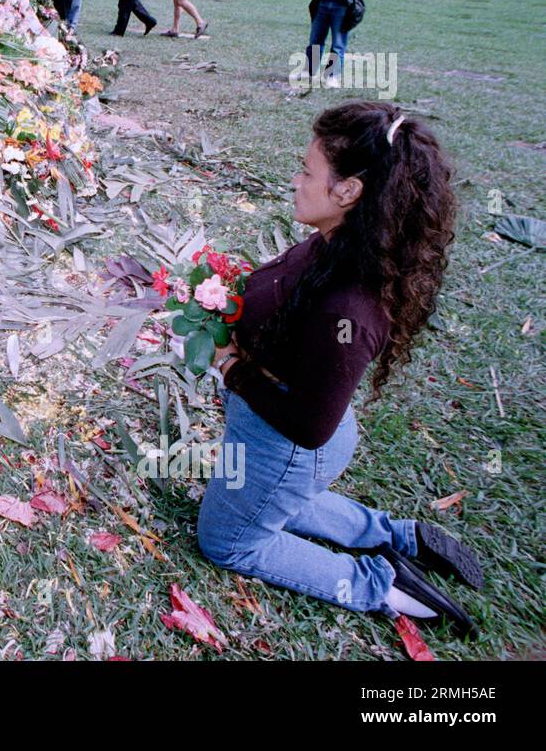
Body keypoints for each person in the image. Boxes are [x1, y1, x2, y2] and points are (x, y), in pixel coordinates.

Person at [199, 102, 481, 636]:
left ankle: (385, 584)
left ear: (349, 191)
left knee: (229, 541)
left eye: (308, 172)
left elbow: (307, 427)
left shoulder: (349, 307)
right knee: (273, 497)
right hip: (282, 439)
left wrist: (232, 368)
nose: (296, 179)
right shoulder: (341, 241)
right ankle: (397, 535)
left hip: (286, 443)